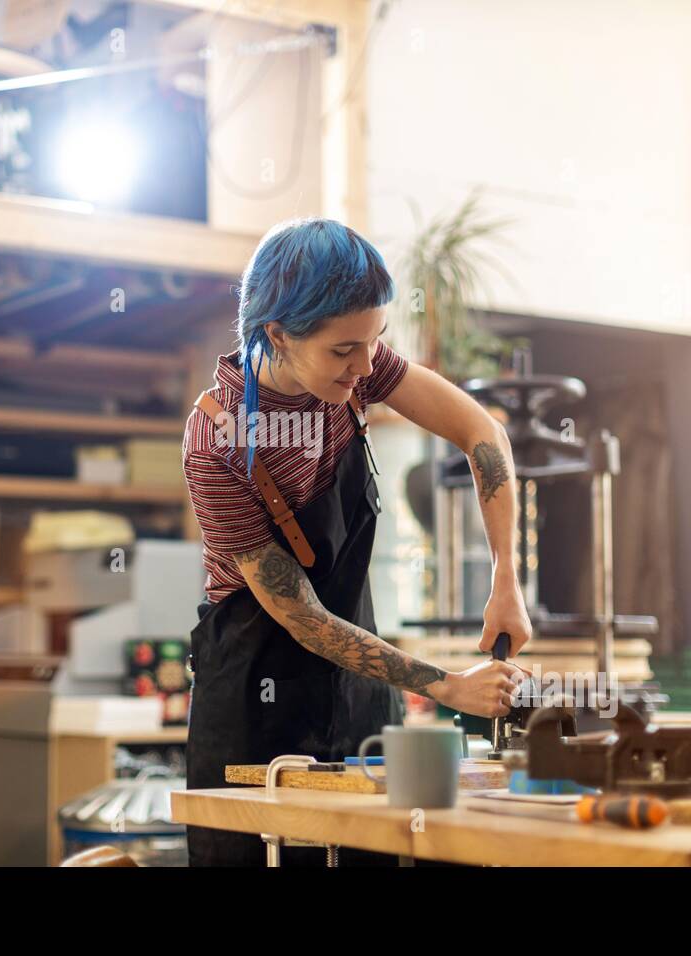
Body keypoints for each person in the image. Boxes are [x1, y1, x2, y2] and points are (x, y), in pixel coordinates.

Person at [181, 218, 533, 866]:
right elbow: (306, 621)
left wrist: (507, 578)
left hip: (359, 701)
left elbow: (481, 431)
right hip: (256, 707)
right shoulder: (218, 441)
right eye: (345, 350)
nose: (367, 366)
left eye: (375, 343)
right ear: (277, 334)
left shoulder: (358, 373)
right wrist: (448, 684)